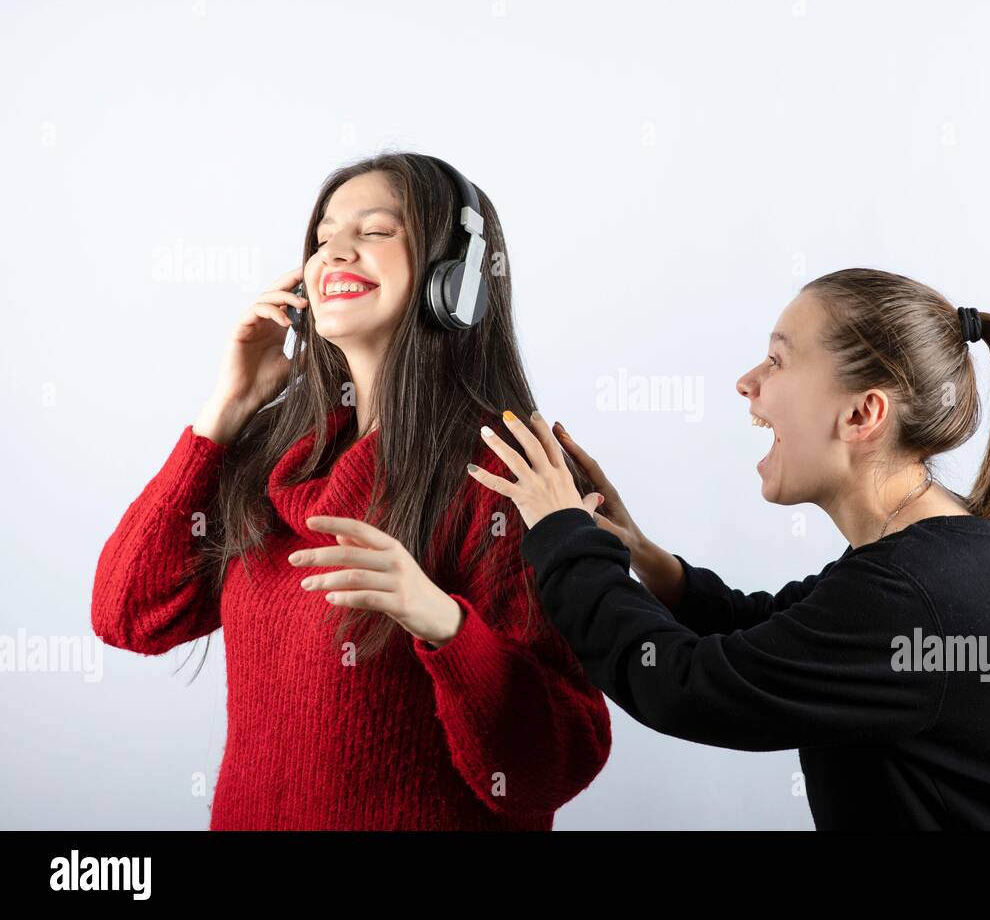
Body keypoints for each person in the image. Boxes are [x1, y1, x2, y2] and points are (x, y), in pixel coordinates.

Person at [468, 268, 990, 830]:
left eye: (777, 361)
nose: (748, 382)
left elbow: (685, 685)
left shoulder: (916, 593)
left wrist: (560, 536)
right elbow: (768, 628)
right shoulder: (936, 559)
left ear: (862, 415)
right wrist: (637, 551)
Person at [91, 152, 611, 830]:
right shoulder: (275, 464)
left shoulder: (512, 474)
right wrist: (227, 409)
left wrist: (445, 625)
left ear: (455, 280)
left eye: (374, 231)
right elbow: (127, 613)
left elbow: (555, 763)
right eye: (323, 236)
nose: (334, 250)